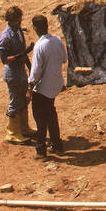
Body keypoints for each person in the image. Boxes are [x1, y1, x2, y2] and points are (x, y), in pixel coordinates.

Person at [27, 14, 67, 158]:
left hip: (43, 87)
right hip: (55, 84)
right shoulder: (57, 40)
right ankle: (57, 145)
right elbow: (64, 59)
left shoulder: (39, 46)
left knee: (40, 117)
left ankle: (41, 150)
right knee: (50, 113)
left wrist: (30, 87)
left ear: (35, 28)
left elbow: (36, 72)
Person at [0, 6, 32, 144]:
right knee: (14, 102)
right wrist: (21, 55)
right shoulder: (5, 37)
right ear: (10, 21)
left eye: (20, 19)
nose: (19, 22)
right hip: (12, 74)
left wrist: (30, 67)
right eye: (16, 20)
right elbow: (5, 60)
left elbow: (23, 51)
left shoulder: (18, 32)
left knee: (23, 100)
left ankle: (24, 129)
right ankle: (12, 133)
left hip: (21, 72)